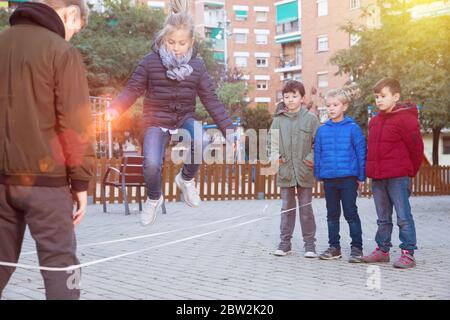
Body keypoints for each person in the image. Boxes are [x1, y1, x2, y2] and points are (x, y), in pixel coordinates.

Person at [106, 0, 234, 225]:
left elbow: (211, 99)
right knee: (152, 163)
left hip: (185, 116)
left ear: (191, 42)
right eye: (171, 42)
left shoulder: (197, 66)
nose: (176, 47)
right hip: (156, 119)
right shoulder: (150, 62)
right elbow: (133, 89)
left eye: (182, 43)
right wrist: (115, 109)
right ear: (163, 39)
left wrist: (229, 130)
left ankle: (185, 179)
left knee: (202, 141)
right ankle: (154, 198)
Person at [0, 0, 94, 299]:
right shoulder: (61, 52)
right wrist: (80, 182)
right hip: (46, 183)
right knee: (62, 269)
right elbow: (75, 125)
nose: (70, 36)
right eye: (73, 29)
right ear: (70, 12)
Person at [363, 78, 424, 269]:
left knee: (403, 216)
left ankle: (408, 253)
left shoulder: (407, 119)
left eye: (383, 96)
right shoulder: (374, 121)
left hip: (398, 177)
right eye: (376, 97)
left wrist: (409, 171)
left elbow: (416, 148)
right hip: (378, 178)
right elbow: (371, 150)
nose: (379, 100)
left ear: (395, 97)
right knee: (382, 217)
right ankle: (383, 250)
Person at [314, 89, 366, 263]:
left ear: (344, 106)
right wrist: (318, 174)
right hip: (329, 179)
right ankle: (334, 248)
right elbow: (318, 153)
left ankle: (357, 248)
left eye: (335, 105)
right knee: (332, 214)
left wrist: (361, 176)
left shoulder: (353, 128)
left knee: (351, 213)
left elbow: (361, 152)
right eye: (328, 106)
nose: (331, 109)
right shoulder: (322, 130)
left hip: (348, 178)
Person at [269, 80, 320, 258]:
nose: (290, 100)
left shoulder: (311, 119)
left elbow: (318, 145)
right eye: (286, 97)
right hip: (286, 171)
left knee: (306, 210)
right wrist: (277, 158)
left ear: (302, 97)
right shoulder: (277, 121)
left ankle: (309, 245)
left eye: (294, 96)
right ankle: (285, 243)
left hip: (305, 171)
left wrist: (310, 160)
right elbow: (271, 144)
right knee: (286, 209)